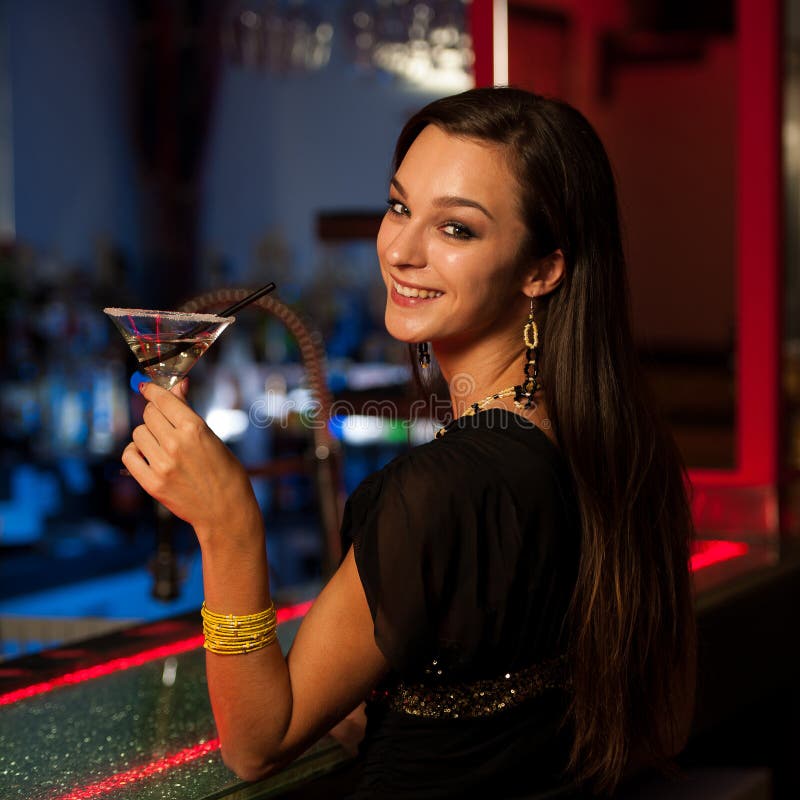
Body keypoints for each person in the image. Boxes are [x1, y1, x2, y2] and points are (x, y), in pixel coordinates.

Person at [122, 87, 696, 798]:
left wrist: (228, 523)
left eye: (456, 229)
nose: (401, 250)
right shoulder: (615, 443)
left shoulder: (443, 490)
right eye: (399, 207)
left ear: (543, 268)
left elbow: (257, 743)